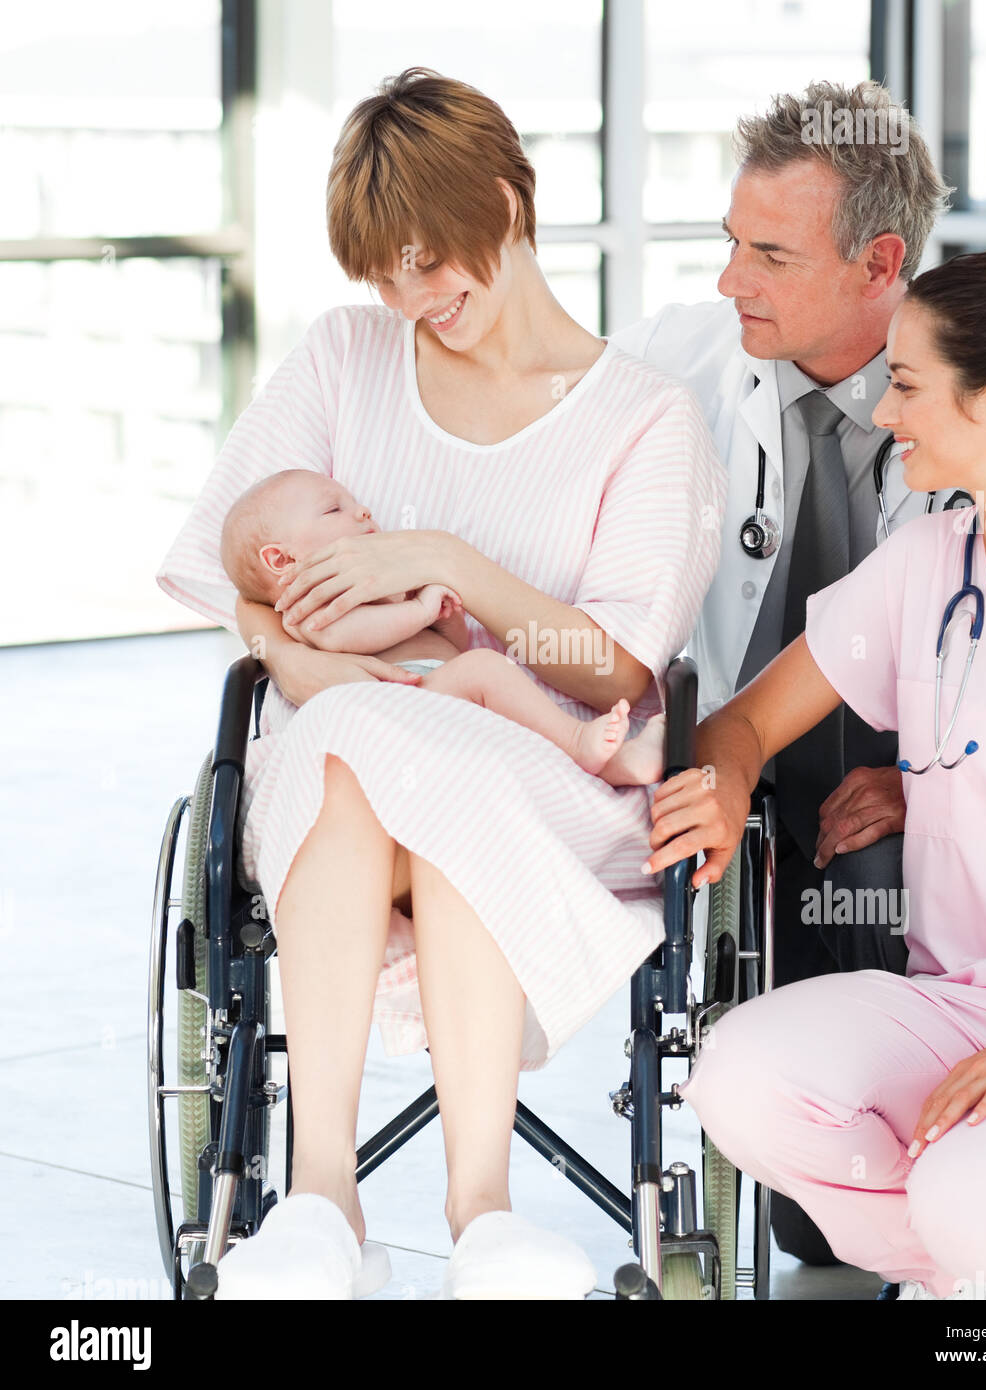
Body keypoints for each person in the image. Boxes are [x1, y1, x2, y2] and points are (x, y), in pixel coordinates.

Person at [157, 67, 725, 1300]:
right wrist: (328, 670)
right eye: (386, 273)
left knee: (420, 762)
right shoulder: (348, 359)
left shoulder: (644, 420)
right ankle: (327, 1199)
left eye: (431, 259)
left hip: (542, 772)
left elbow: (617, 665)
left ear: (511, 199)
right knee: (363, 745)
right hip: (335, 782)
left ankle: (471, 1214)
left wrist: (449, 562)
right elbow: (230, 566)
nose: (415, 298)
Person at [644, 250, 986, 1299]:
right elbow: (746, 720)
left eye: (904, 383)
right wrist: (722, 781)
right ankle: (983, 1261)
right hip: (959, 1002)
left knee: (969, 1196)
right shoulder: (925, 569)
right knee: (742, 1081)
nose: (882, 406)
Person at [612, 78, 957, 1267]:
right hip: (738, 775)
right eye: (727, 244)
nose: (728, 282)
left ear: (879, 265)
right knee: (810, 1230)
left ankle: (966, 1193)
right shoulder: (673, 363)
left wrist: (928, 780)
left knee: (890, 867)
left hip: (904, 797)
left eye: (766, 253)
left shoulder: (985, 387)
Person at [220, 469, 668, 785]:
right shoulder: (307, 613)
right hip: (399, 711)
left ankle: (597, 760)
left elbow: (441, 646)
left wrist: (446, 619)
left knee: (482, 674)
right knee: (485, 669)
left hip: (433, 697)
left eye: (356, 503)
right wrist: (420, 610)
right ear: (282, 559)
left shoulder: (379, 589)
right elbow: (346, 638)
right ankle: (579, 743)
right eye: (335, 509)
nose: (363, 512)